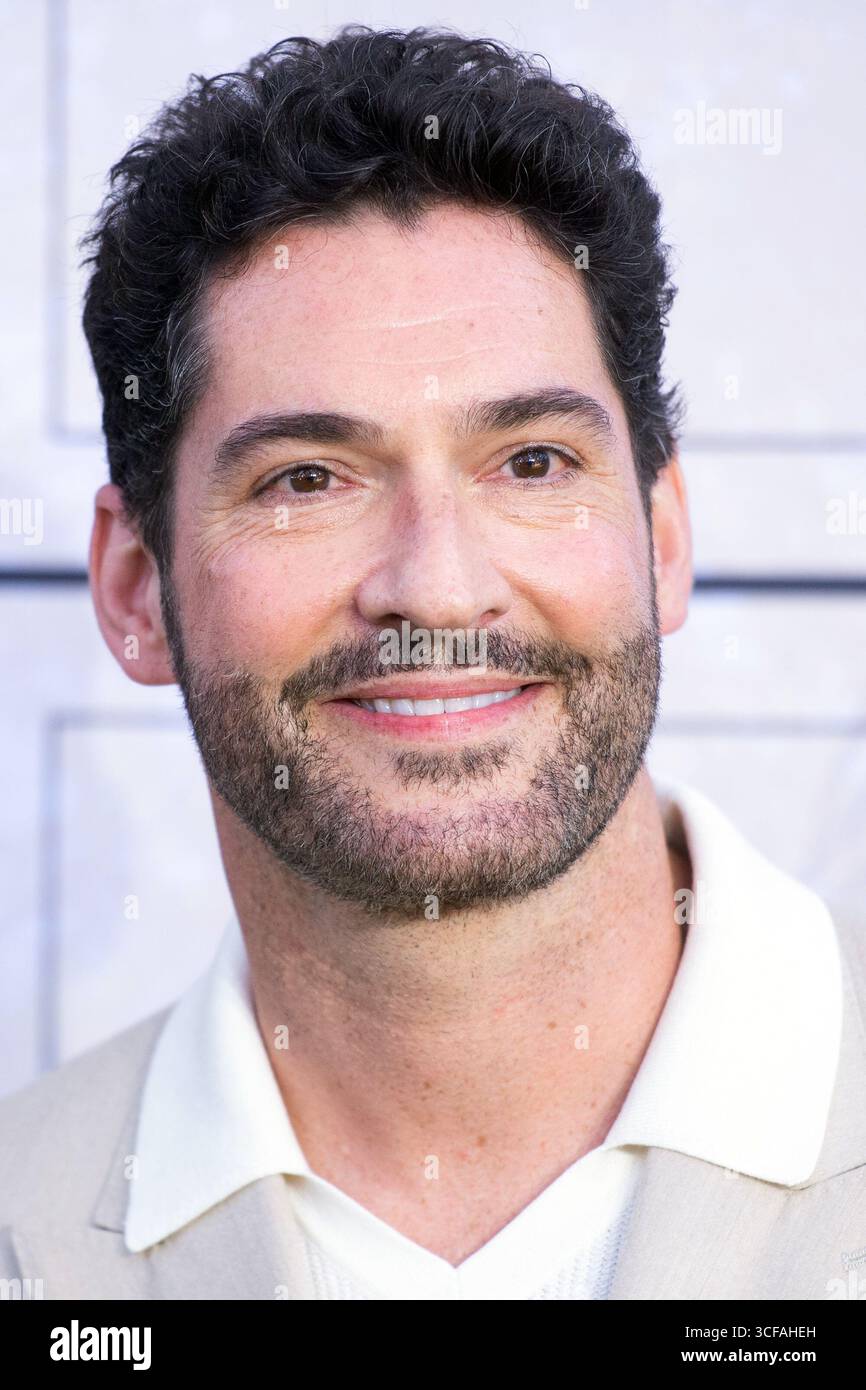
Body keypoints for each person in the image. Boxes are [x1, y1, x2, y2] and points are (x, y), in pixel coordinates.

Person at [2, 25, 863, 1302]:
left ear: (661, 537)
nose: (436, 585)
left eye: (530, 462)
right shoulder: (26, 1230)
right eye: (306, 478)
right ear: (136, 587)